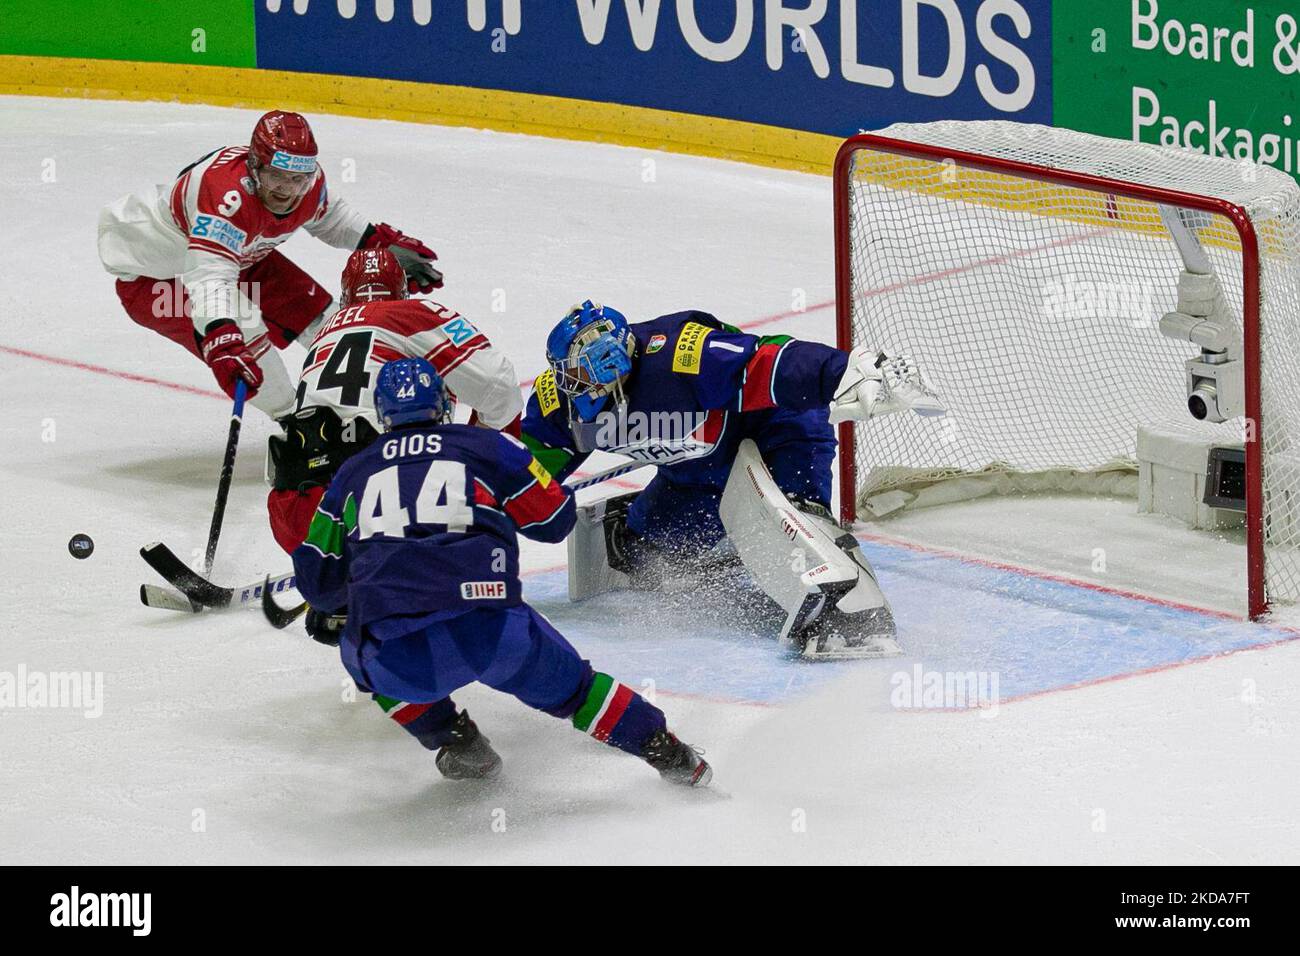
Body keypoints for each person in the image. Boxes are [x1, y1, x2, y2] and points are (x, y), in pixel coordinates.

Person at [290, 357, 712, 787]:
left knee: (364, 652)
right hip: (490, 629)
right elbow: (554, 524)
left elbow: (319, 586)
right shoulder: (486, 446)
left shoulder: (352, 474)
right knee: (577, 692)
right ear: (444, 403)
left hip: (398, 647)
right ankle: (668, 754)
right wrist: (534, 500)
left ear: (382, 413)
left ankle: (456, 741)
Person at [521, 300, 945, 658]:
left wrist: (847, 371)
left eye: (576, 374)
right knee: (648, 558)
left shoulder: (682, 357)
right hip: (695, 471)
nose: (566, 385)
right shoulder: (560, 403)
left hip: (776, 428)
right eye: (564, 373)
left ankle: (853, 616)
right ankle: (715, 536)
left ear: (610, 365)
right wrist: (483, 499)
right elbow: (518, 468)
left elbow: (769, 363)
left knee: (798, 522)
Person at [97, 109, 441, 418]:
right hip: (157, 281)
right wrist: (220, 337)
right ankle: (294, 422)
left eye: (298, 179)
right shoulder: (224, 198)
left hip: (243, 256)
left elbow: (330, 217)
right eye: (277, 176)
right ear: (254, 166)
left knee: (327, 320)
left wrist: (379, 241)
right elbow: (209, 279)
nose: (287, 190)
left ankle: (382, 405)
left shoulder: (307, 184)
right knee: (245, 342)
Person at [265, 247, 521, 554]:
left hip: (297, 515)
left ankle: (334, 577)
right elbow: (498, 383)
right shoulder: (412, 314)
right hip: (381, 502)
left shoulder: (325, 332)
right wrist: (483, 465)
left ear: (346, 297)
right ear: (401, 292)